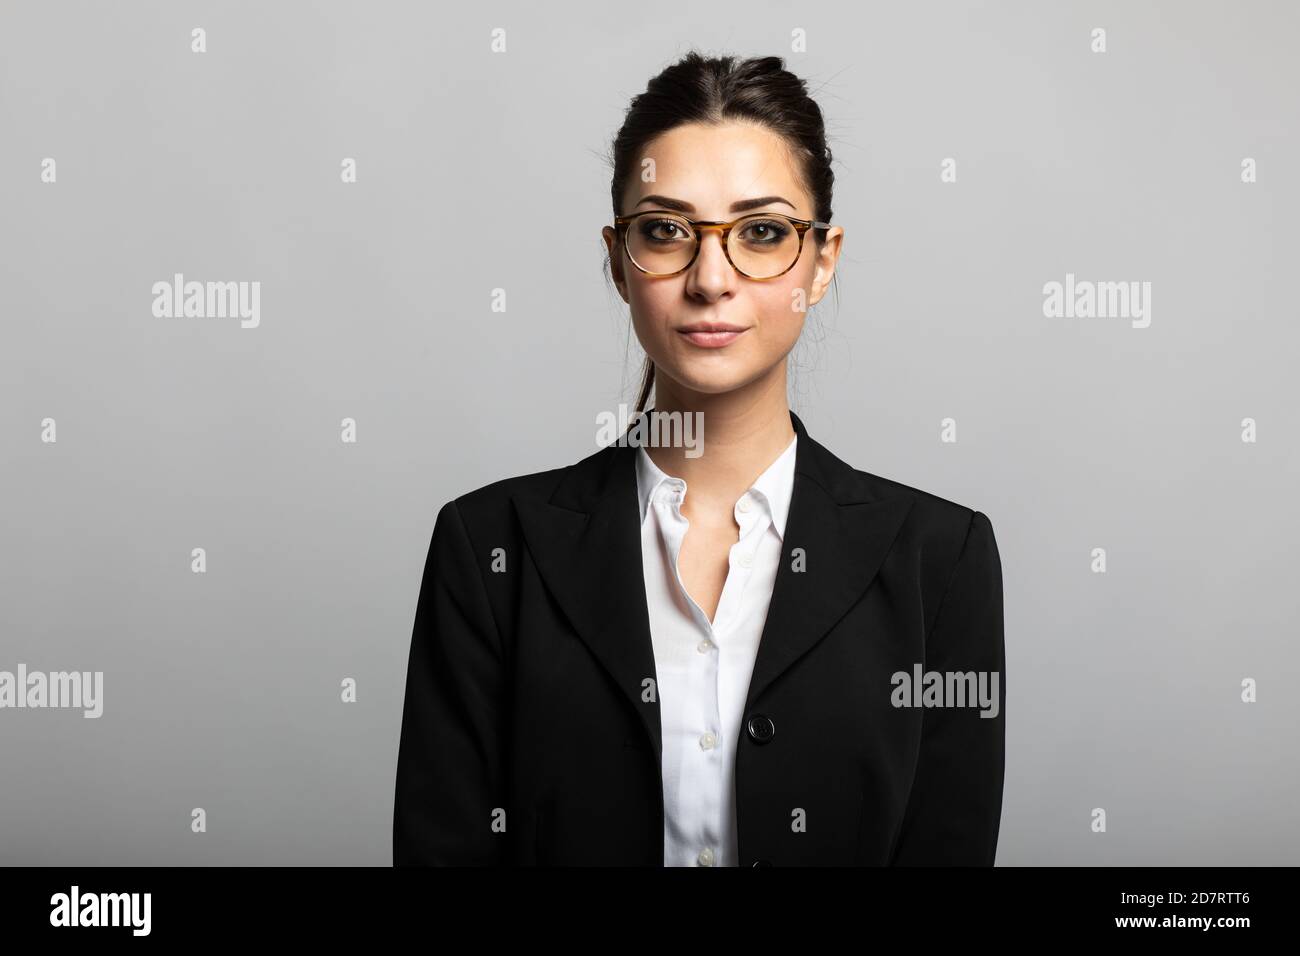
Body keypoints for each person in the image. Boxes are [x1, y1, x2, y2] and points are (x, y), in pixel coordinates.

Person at [394, 51, 1005, 866]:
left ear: (822, 261)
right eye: (666, 231)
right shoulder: (487, 549)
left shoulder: (941, 560)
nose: (711, 278)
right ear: (618, 260)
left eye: (762, 232)